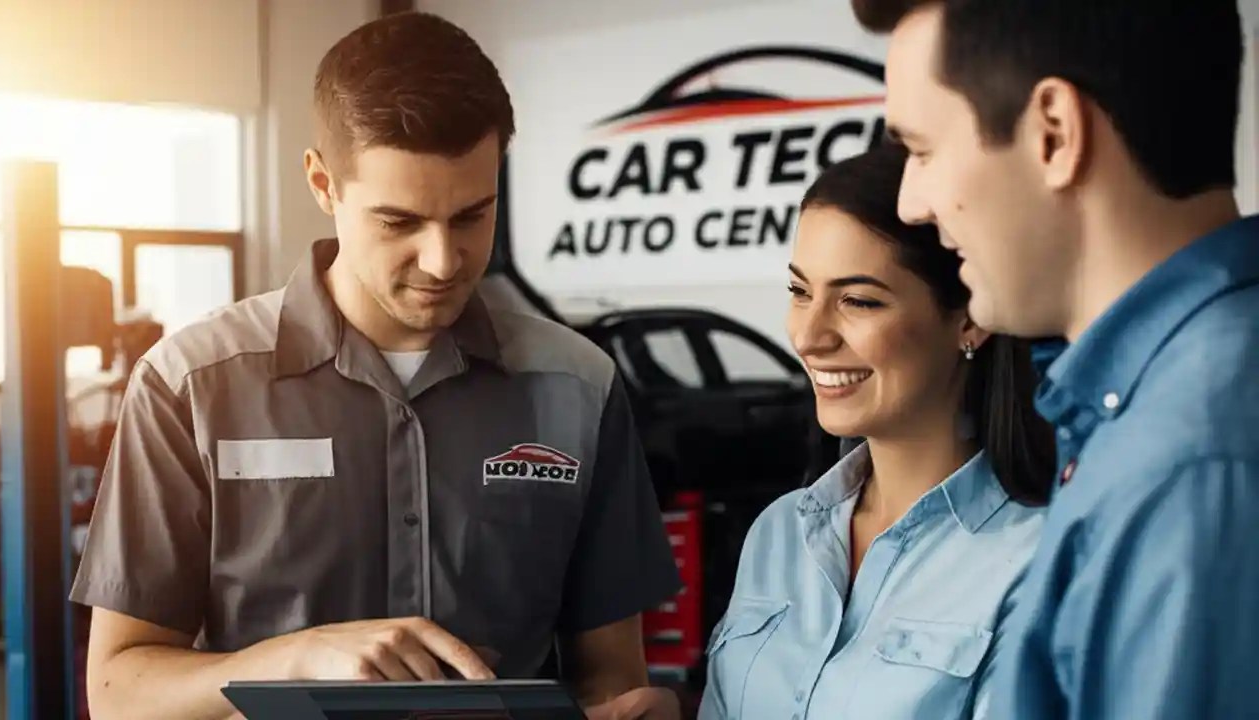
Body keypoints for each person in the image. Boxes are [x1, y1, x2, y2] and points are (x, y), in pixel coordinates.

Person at [69, 12, 682, 720]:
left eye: (471, 216)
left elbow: (608, 671)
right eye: (399, 223)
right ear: (323, 184)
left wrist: (629, 710)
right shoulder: (191, 386)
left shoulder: (578, 388)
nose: (443, 261)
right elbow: (117, 693)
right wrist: (296, 659)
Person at [854, 0, 1259, 717]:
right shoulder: (1156, 409)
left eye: (920, 151)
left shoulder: (1190, 460)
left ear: (1053, 134)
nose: (912, 203)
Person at [698, 144, 1055, 720]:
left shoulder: (1036, 558)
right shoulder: (779, 533)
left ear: (971, 316)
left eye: (858, 300)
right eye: (799, 292)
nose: (809, 336)